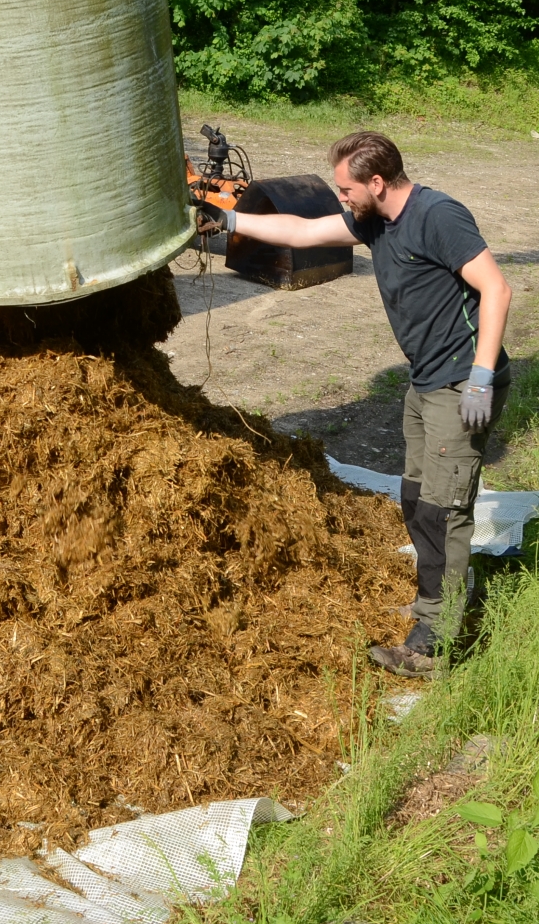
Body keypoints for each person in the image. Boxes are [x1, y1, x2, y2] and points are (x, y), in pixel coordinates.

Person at [194, 131, 512, 680]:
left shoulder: (438, 216)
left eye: (345, 188)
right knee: (417, 501)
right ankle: (446, 601)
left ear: (377, 181)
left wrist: (482, 374)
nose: (340, 197)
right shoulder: (374, 218)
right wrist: (229, 221)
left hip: (462, 383)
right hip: (427, 381)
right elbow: (303, 230)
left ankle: (436, 643)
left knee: (443, 511)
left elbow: (496, 288)